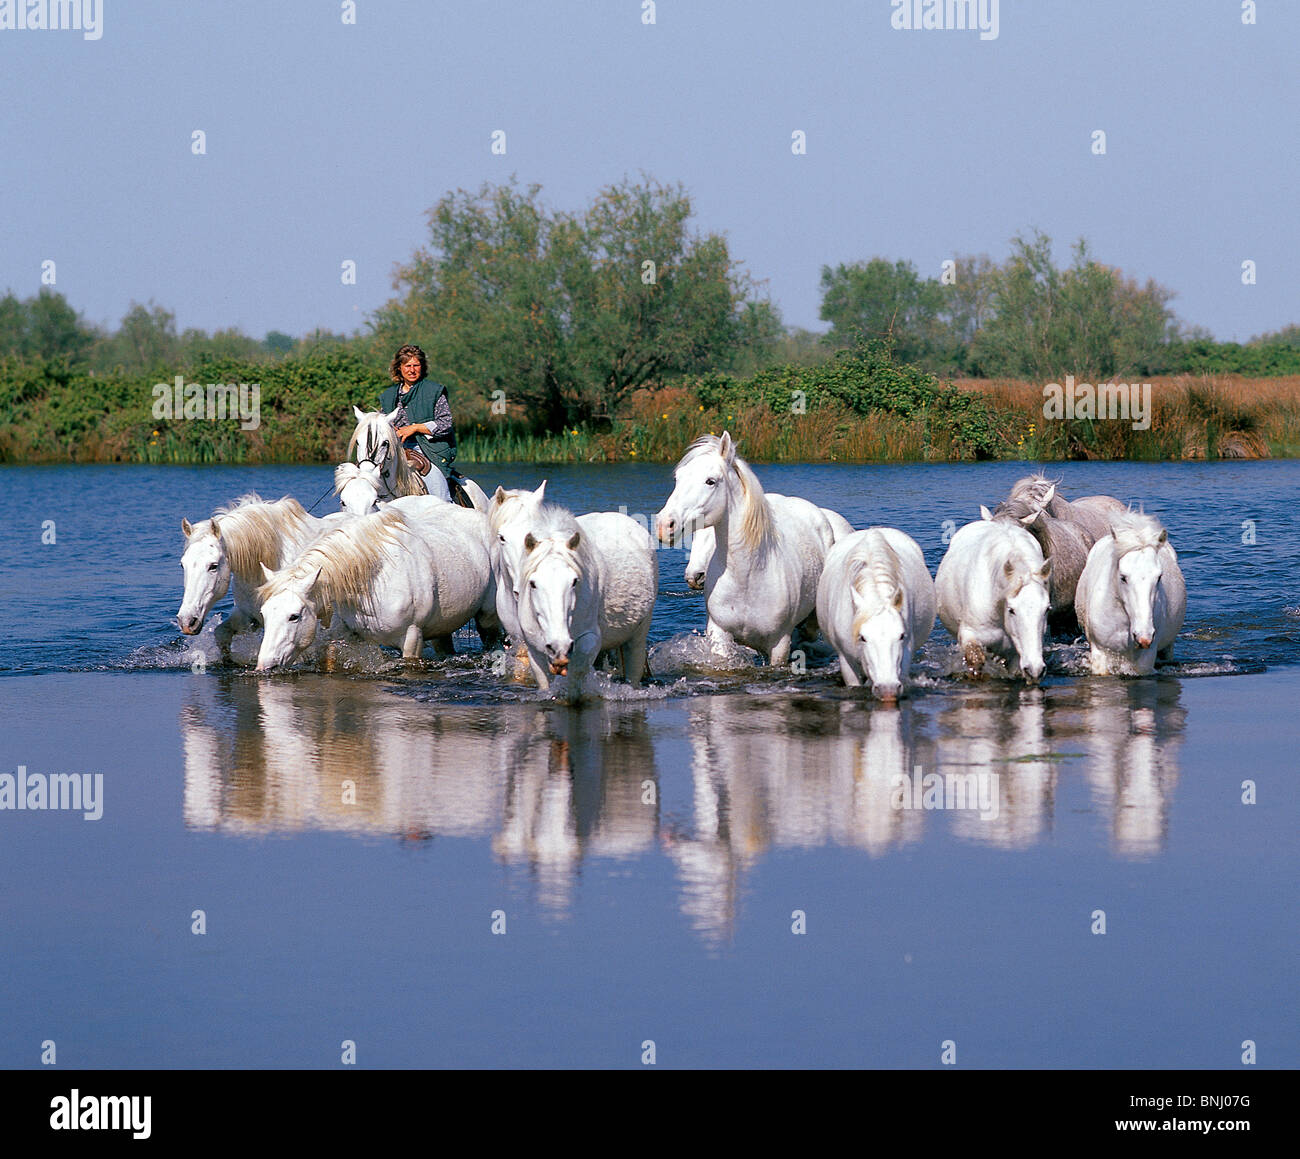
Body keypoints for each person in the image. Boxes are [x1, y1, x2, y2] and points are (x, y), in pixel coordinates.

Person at [379, 344, 457, 481]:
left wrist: (414, 428)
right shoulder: (388, 396)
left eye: (416, 365)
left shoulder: (434, 391)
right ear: (399, 368)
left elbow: (445, 423)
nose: (412, 370)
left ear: (422, 367)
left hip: (429, 450)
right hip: (395, 450)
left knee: (440, 492)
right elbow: (381, 425)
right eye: (407, 366)